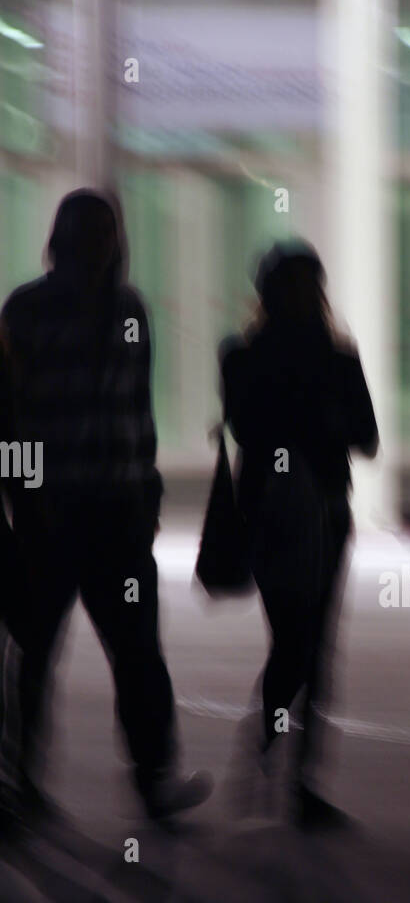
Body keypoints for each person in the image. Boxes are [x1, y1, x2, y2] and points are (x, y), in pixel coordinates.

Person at [0, 188, 212, 823]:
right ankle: (19, 783)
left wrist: (145, 490)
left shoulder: (130, 310)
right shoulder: (26, 311)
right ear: (63, 239)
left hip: (116, 514)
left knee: (139, 651)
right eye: (88, 233)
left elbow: (137, 410)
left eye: (105, 232)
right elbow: (8, 419)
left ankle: (153, 777)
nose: (98, 245)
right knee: (34, 653)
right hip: (53, 517)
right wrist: (27, 500)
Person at [220, 240, 378, 828]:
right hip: (274, 514)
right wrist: (317, 412)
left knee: (312, 646)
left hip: (322, 512)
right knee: (298, 642)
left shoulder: (327, 356)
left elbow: (366, 435)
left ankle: (295, 772)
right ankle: (276, 752)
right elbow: (249, 427)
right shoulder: (247, 355)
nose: (301, 298)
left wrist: (310, 411)